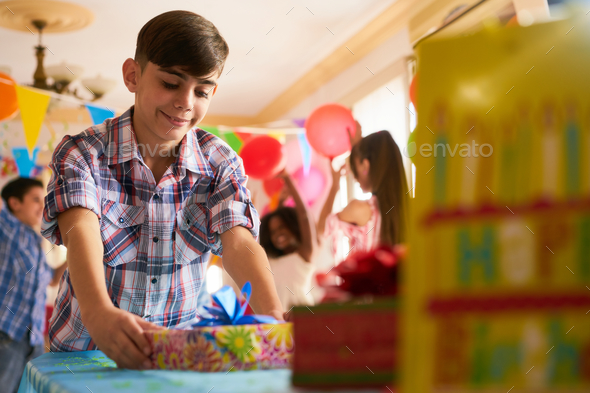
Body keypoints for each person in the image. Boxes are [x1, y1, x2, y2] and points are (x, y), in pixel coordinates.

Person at [41, 10, 283, 369]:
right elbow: (81, 231)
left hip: (178, 355)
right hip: (85, 351)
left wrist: (273, 318)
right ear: (132, 75)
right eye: (171, 83)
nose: (186, 102)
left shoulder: (220, 162)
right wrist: (99, 314)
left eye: (201, 91)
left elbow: (239, 242)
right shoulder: (83, 152)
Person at [0, 177, 66, 393]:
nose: (42, 206)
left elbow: (51, 279)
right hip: (7, 331)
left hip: (34, 337)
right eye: (36, 199)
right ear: (14, 203)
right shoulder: (7, 229)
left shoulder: (34, 241)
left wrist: (75, 251)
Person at [318, 123, 409, 257]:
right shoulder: (412, 208)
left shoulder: (360, 209)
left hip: (365, 279)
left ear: (366, 164)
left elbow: (321, 229)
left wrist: (334, 186)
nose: (355, 176)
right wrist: (357, 151)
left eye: (355, 166)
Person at [259, 170, 316, 312]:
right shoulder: (271, 262)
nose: (278, 234)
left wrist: (288, 179)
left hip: (305, 320)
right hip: (279, 324)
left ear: (292, 226)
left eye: (282, 227)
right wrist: (280, 204)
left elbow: (304, 217)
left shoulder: (303, 255)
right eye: (273, 232)